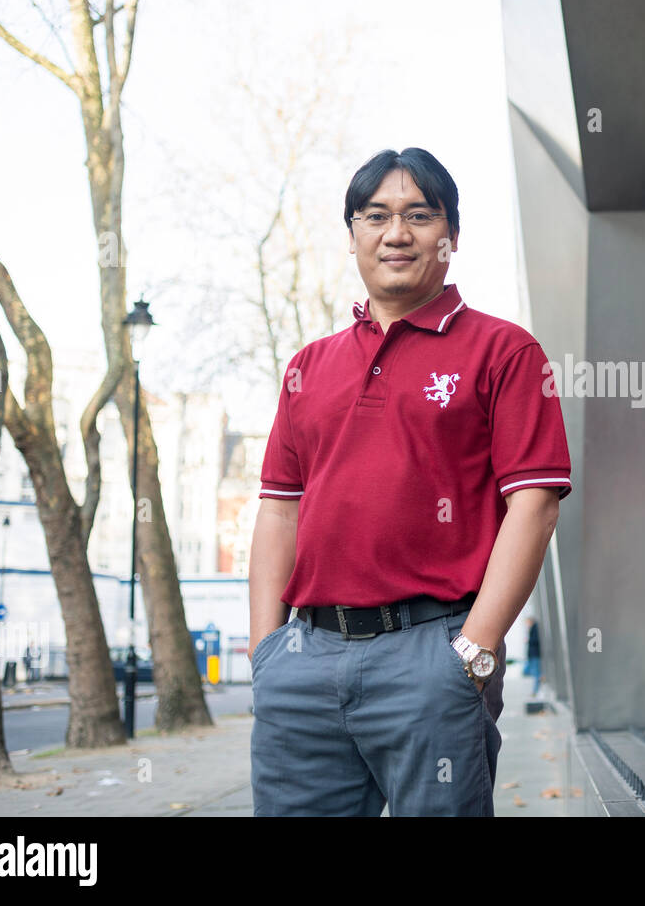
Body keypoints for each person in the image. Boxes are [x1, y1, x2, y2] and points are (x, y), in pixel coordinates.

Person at [248, 147, 571, 816]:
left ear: (451, 235)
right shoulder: (309, 366)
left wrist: (473, 656)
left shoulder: (504, 351)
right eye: (376, 216)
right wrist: (265, 654)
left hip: (434, 656)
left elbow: (534, 507)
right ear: (353, 235)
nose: (397, 233)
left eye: (419, 215)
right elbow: (280, 511)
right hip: (303, 663)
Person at [523, 616, 542, 697]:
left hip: (534, 654)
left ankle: (535, 691)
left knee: (535, 673)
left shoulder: (535, 628)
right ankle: (541, 677)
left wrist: (529, 640)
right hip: (532, 655)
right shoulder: (533, 628)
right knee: (528, 672)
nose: (527, 625)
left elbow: (536, 640)